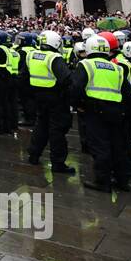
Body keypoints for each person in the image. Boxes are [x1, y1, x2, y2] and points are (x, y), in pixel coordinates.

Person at [71, 34, 131, 192]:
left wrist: (78, 105)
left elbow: (76, 88)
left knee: (100, 147)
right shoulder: (117, 68)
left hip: (94, 110)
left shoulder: (86, 64)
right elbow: (128, 93)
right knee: (118, 146)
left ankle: (103, 181)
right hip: (116, 111)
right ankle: (122, 180)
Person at [23, 30, 74, 175]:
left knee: (41, 126)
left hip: (38, 97)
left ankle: (34, 155)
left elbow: (24, 76)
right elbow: (66, 79)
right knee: (56, 131)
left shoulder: (31, 55)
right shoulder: (54, 58)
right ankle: (58, 162)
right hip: (56, 98)